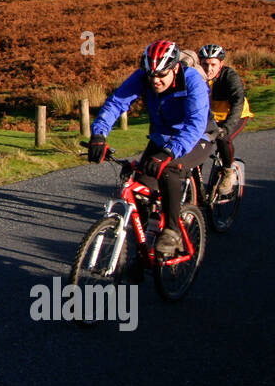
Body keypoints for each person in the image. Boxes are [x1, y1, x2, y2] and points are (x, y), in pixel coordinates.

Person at [87, 40, 212, 263]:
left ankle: (172, 232)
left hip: (197, 137)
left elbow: (195, 123)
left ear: (175, 68)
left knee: (169, 168)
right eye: (151, 75)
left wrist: (170, 152)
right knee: (140, 188)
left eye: (162, 75)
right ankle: (140, 252)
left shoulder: (192, 81)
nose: (155, 80)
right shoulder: (144, 77)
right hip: (161, 139)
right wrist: (98, 135)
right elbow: (116, 103)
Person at [198, 44, 252, 194]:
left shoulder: (229, 77)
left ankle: (228, 172)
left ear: (221, 64)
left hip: (235, 116)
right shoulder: (196, 78)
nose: (209, 69)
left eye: (213, 65)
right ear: (199, 62)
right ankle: (196, 183)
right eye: (205, 64)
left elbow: (238, 102)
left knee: (223, 139)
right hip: (213, 118)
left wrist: (227, 127)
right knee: (196, 142)